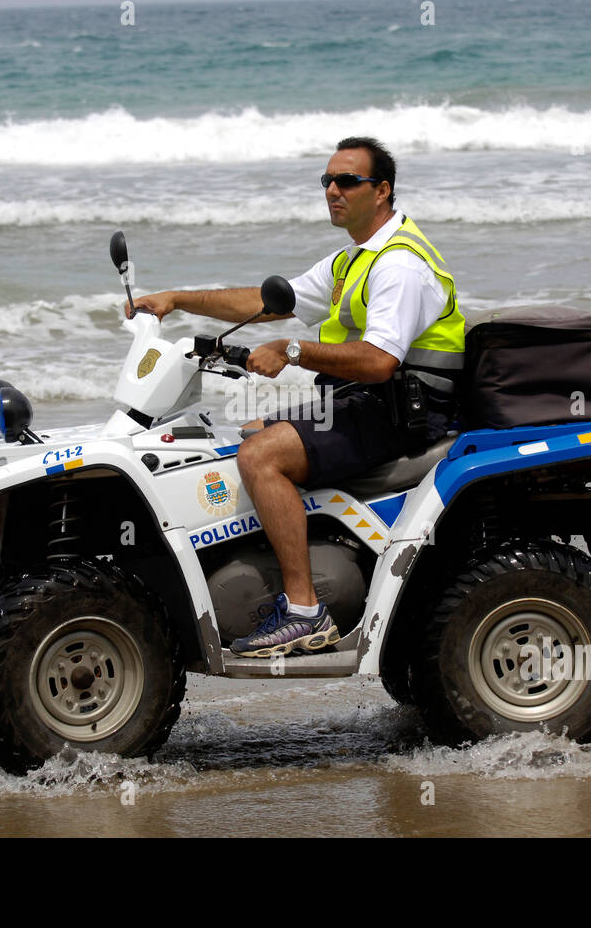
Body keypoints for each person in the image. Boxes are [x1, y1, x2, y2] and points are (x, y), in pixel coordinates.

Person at [125, 136, 465, 657]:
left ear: (382, 191)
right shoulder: (354, 261)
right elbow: (269, 302)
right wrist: (175, 299)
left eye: (347, 180)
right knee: (248, 432)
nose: (332, 189)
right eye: (326, 181)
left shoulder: (399, 264)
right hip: (367, 400)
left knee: (261, 456)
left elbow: (378, 360)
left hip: (403, 410)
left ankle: (305, 610)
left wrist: (292, 351)